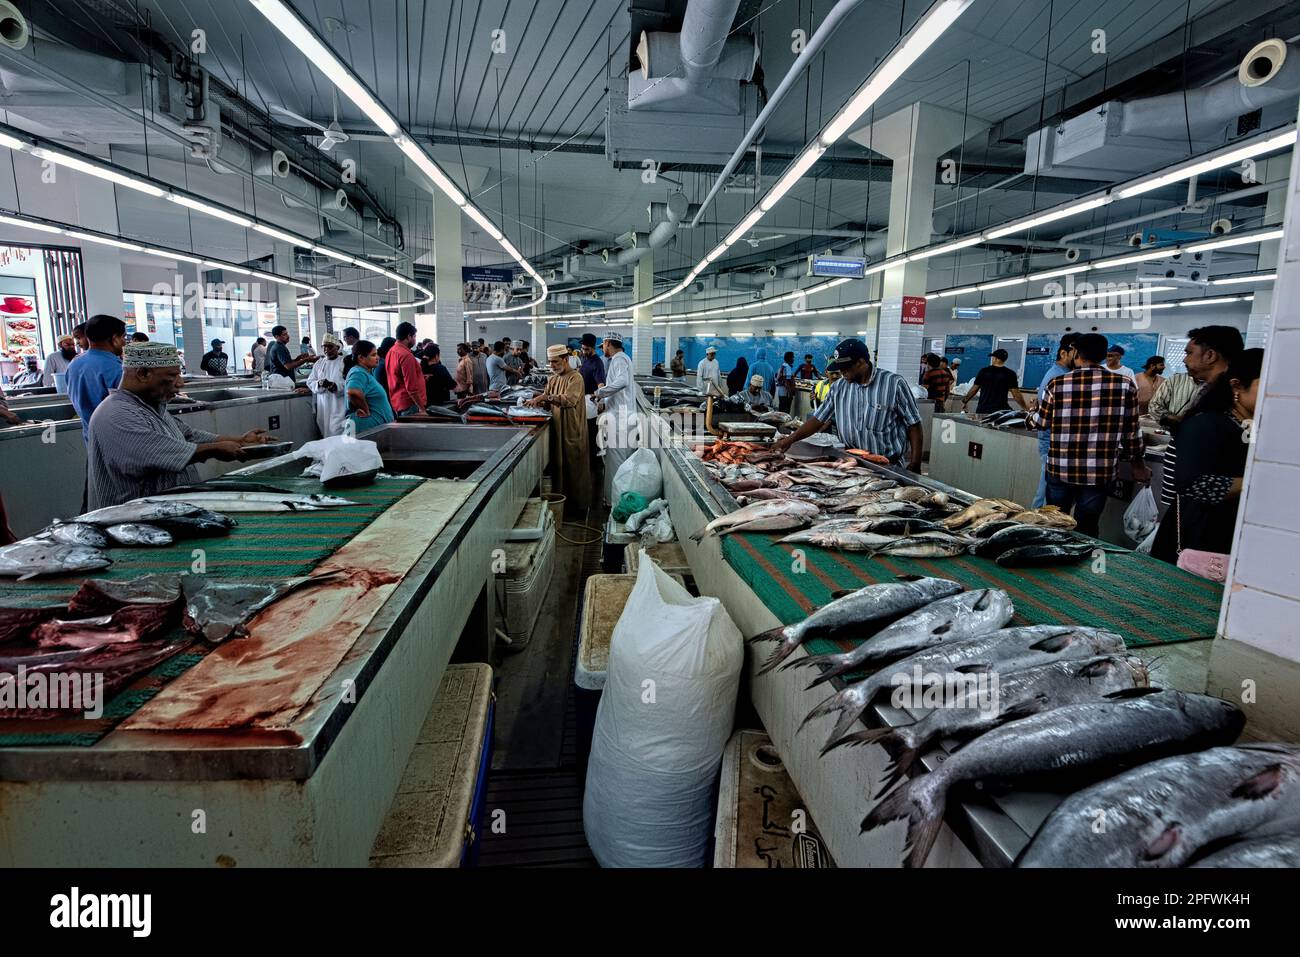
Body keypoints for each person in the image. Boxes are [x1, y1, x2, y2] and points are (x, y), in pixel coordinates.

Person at [85, 341, 270, 509]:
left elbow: (188, 435)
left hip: (163, 512)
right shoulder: (117, 414)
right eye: (172, 376)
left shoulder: (151, 407)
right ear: (142, 374)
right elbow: (162, 452)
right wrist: (216, 449)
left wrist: (240, 440)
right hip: (129, 523)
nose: (180, 383)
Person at [1025, 333, 1148, 537]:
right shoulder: (1125, 384)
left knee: (1055, 523)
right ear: (1103, 355)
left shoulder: (1058, 384)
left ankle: (1052, 562)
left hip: (1060, 468)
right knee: (1087, 526)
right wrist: (1138, 465)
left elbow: (1040, 423)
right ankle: (1083, 563)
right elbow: (1131, 433)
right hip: (1099, 471)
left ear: (1076, 353)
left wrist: (1031, 412)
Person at [1151, 348, 1263, 564]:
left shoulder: (1250, 425)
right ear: (1237, 385)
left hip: (1236, 531)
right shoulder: (1206, 424)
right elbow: (1193, 484)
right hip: (1201, 533)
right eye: (1265, 385)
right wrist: (1258, 481)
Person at [773, 339, 923, 471]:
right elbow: (818, 420)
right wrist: (789, 440)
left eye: (846, 368)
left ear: (861, 362)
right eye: (840, 367)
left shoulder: (894, 384)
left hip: (888, 466)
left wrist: (916, 462)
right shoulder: (839, 388)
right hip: (851, 464)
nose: (842, 372)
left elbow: (914, 425)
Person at [1155, 326, 1244, 514]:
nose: (1184, 359)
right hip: (1186, 501)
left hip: (1203, 509)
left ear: (1210, 355)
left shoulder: (1232, 397)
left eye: (1189, 353)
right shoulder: (1209, 391)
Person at [526, 344, 590, 513]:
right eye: (550, 362)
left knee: (574, 469)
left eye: (555, 361)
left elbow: (569, 400)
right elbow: (548, 399)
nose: (552, 365)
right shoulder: (553, 378)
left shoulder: (575, 378)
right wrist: (536, 400)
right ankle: (561, 508)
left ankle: (577, 509)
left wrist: (545, 396)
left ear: (565, 359)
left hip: (571, 430)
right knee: (559, 468)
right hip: (557, 429)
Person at [1030, 333, 1080, 509]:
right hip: (1051, 443)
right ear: (1063, 353)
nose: (1078, 357)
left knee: (1048, 493)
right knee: (1046, 496)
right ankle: (1033, 529)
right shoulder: (1057, 377)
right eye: (1075, 352)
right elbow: (1046, 417)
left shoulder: (1066, 374)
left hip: (1057, 444)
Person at [594, 331, 640, 504]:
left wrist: (600, 392)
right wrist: (605, 400)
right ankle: (619, 499)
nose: (603, 349)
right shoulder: (623, 359)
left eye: (603, 345)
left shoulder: (619, 359)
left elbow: (622, 382)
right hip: (623, 417)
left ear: (608, 343)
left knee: (617, 462)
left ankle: (616, 502)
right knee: (621, 460)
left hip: (621, 419)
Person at [67, 313, 127, 441]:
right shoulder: (115, 368)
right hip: (115, 440)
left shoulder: (74, 364)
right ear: (114, 338)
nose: (124, 342)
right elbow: (128, 408)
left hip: (90, 438)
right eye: (123, 337)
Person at [345, 340, 395, 433]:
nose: (378, 357)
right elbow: (353, 392)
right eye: (373, 355)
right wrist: (365, 410)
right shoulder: (358, 372)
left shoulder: (366, 372)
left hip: (374, 430)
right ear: (361, 358)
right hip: (365, 430)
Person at [305, 332, 347, 436]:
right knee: (325, 432)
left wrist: (335, 386)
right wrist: (319, 384)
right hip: (323, 406)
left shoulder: (344, 362)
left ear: (337, 348)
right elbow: (310, 381)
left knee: (337, 432)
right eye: (324, 347)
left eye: (330, 347)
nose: (327, 350)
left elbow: (349, 383)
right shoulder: (319, 363)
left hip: (338, 406)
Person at [961, 349, 1024, 415]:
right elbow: (1016, 394)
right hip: (1000, 411)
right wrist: (1025, 407)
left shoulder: (984, 371)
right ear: (1005, 359)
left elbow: (974, 389)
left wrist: (965, 401)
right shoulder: (1010, 374)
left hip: (983, 409)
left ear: (996, 358)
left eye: (993, 357)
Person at [385, 321, 427, 417]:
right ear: (408, 336)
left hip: (398, 402)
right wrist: (421, 408)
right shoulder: (406, 355)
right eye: (414, 336)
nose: (415, 340)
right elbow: (411, 387)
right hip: (410, 405)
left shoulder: (391, 352)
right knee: (413, 432)